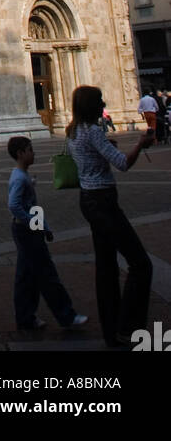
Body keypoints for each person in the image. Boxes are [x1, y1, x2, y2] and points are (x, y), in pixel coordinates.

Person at [67, 85, 154, 349]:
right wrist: (141, 143)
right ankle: (128, 328)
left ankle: (112, 330)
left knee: (106, 267)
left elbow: (91, 153)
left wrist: (105, 146)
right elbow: (123, 163)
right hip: (103, 202)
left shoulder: (72, 131)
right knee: (141, 264)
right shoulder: (93, 131)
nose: (103, 103)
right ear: (91, 106)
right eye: (100, 100)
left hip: (88, 200)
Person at [7, 136, 88, 332]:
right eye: (30, 149)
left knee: (26, 276)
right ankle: (66, 316)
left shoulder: (22, 175)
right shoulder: (19, 178)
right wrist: (37, 225)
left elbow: (31, 207)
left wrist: (45, 227)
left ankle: (26, 318)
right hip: (27, 231)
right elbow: (14, 205)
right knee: (46, 273)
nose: (34, 153)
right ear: (20, 153)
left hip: (25, 229)